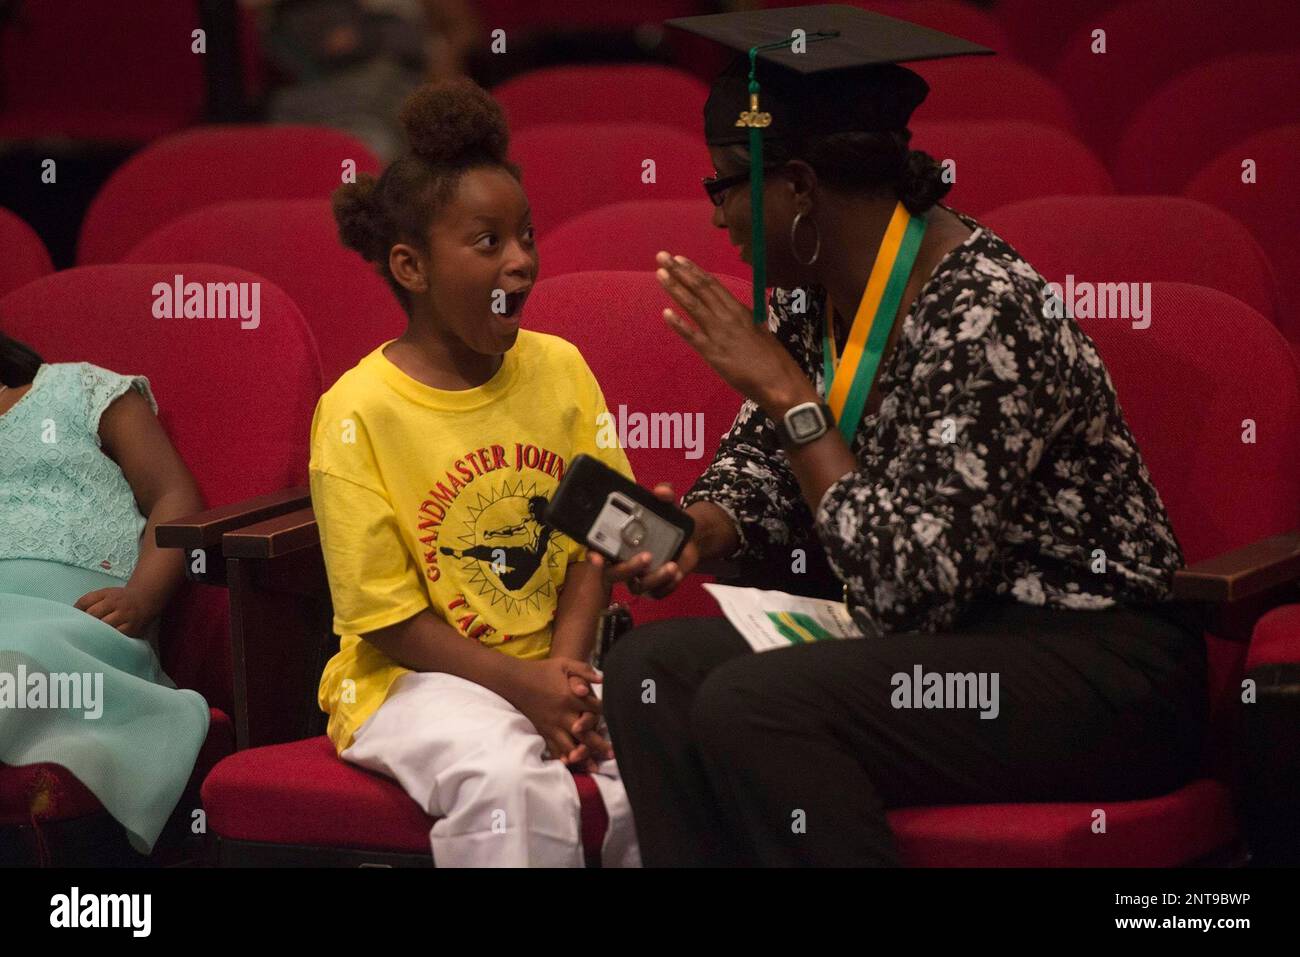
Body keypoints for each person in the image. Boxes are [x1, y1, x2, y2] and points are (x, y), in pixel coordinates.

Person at [596, 6, 1207, 866]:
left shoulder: (984, 309)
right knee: (649, 672)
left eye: (724, 185)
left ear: (799, 186)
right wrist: (700, 530)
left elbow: (907, 585)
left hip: (1091, 663)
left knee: (754, 704)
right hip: (946, 643)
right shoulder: (812, 301)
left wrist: (783, 390)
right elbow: (762, 472)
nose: (714, 218)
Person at [312, 77, 639, 867]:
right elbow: (385, 617)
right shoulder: (358, 410)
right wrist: (523, 687)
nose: (521, 261)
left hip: (558, 657)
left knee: (659, 768)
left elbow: (603, 533)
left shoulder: (560, 368)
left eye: (525, 235)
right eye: (489, 242)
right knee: (507, 778)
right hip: (411, 680)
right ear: (411, 266)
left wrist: (564, 674)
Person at [0, 331, 210, 855]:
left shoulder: (76, 388)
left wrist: (143, 596)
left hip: (80, 626)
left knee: (16, 662)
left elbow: (174, 494)